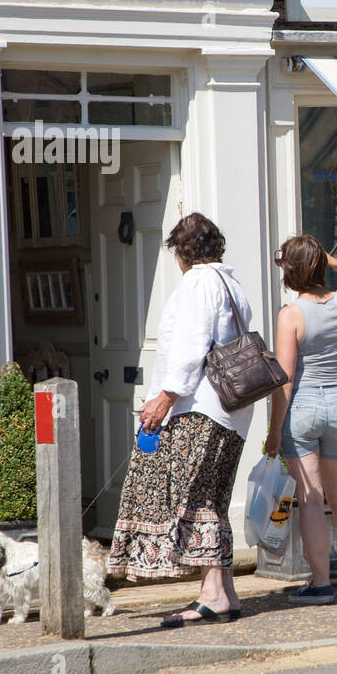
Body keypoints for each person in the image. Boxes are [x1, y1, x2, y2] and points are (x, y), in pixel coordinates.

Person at [107, 212, 255, 626]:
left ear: (181, 253)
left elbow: (191, 347)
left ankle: (212, 594)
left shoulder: (198, 283)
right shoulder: (230, 282)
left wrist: (164, 398)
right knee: (212, 497)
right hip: (232, 409)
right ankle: (223, 592)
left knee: (198, 499)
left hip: (202, 407)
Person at [265, 234, 337, 602]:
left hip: (303, 406)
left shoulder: (291, 314)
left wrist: (274, 430)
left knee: (311, 501)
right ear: (318, 266)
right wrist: (334, 261)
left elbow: (285, 378)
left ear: (291, 272)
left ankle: (322, 583)